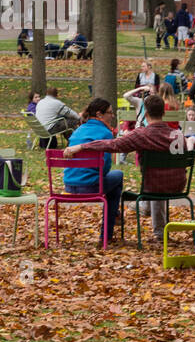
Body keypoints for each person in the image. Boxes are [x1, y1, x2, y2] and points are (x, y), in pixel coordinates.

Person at [64, 93, 187, 244]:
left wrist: (83, 146)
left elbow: (113, 145)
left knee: (150, 180)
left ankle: (139, 210)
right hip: (179, 185)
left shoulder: (142, 134)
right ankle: (146, 214)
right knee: (159, 177)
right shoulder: (179, 135)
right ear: (164, 113)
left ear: (146, 113)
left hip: (153, 186)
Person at [62, 97, 123, 243]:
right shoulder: (106, 133)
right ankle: (106, 234)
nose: (112, 116)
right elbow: (106, 167)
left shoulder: (78, 131)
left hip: (69, 185)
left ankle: (114, 217)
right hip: (90, 186)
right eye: (110, 112)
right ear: (99, 114)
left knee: (114, 183)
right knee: (118, 176)